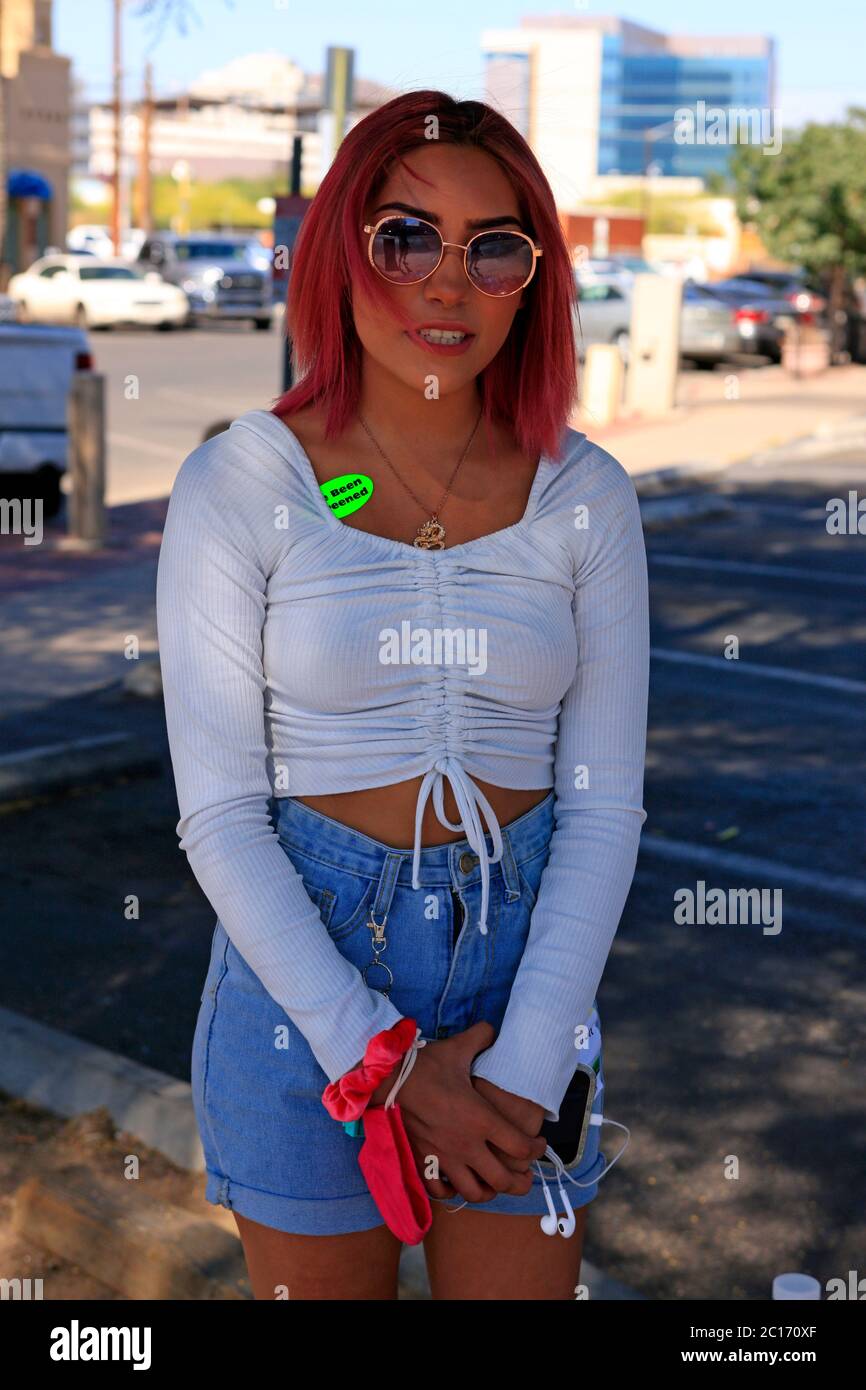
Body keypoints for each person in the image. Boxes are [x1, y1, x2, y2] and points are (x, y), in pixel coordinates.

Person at [156, 90, 649, 1301]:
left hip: (522, 976)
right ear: (342, 250)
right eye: (406, 237)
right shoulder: (238, 482)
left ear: (528, 281)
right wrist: (382, 1061)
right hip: (300, 996)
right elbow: (221, 818)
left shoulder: (586, 497)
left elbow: (600, 808)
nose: (446, 282)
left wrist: (524, 1070)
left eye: (493, 248)